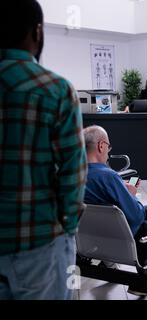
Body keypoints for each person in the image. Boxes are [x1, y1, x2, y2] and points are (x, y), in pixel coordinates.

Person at [0, 0, 87, 300]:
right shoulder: (56, 90)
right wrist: (68, 228)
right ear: (37, 32)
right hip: (39, 243)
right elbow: (73, 173)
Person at [82, 126, 147, 294]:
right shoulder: (108, 176)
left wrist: (122, 190)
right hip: (123, 242)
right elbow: (136, 216)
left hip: (95, 241)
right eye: (108, 146)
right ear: (101, 146)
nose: (108, 151)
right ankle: (145, 275)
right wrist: (132, 195)